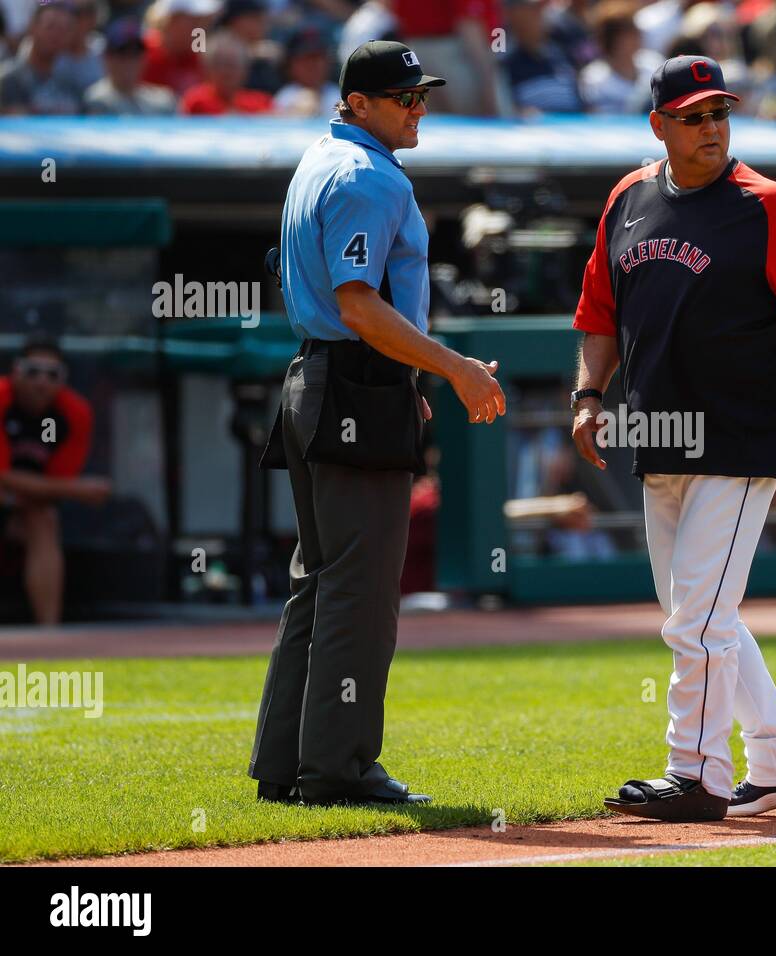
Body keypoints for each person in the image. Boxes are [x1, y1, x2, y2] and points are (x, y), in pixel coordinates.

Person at [571, 55, 776, 820]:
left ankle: (696, 776)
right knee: (702, 616)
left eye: (719, 113)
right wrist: (589, 394)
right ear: (659, 124)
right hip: (659, 435)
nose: (710, 128)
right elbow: (597, 312)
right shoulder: (630, 197)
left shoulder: (768, 205)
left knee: (694, 620)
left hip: (740, 436)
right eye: (693, 116)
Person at [249, 41, 507, 807]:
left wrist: (405, 375)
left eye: (420, 94)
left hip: (323, 378)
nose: (416, 106)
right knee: (358, 594)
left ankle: (287, 763)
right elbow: (360, 304)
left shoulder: (322, 158)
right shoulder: (365, 174)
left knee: (320, 585)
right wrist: (452, 367)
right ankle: (340, 767)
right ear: (357, 102)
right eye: (402, 97)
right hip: (350, 383)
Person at [0, 335, 111, 626]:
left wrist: (26, 493)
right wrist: (77, 490)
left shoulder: (73, 413)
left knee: (45, 518)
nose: (41, 382)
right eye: (32, 371)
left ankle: (49, 634)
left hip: (24, 505)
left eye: (52, 375)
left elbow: (55, 484)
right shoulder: (1, 399)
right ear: (16, 371)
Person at [0, 1, 82, 115]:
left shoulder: (71, 83)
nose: (57, 34)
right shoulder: (9, 79)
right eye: (50, 26)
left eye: (64, 29)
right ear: (32, 27)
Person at [83, 18, 177, 115]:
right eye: (122, 53)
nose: (129, 62)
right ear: (107, 58)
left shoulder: (163, 100)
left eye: (135, 54)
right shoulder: (97, 100)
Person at [179, 30, 274, 114]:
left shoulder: (261, 102)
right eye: (220, 64)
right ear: (208, 68)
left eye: (233, 65)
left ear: (245, 70)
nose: (227, 72)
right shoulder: (196, 102)